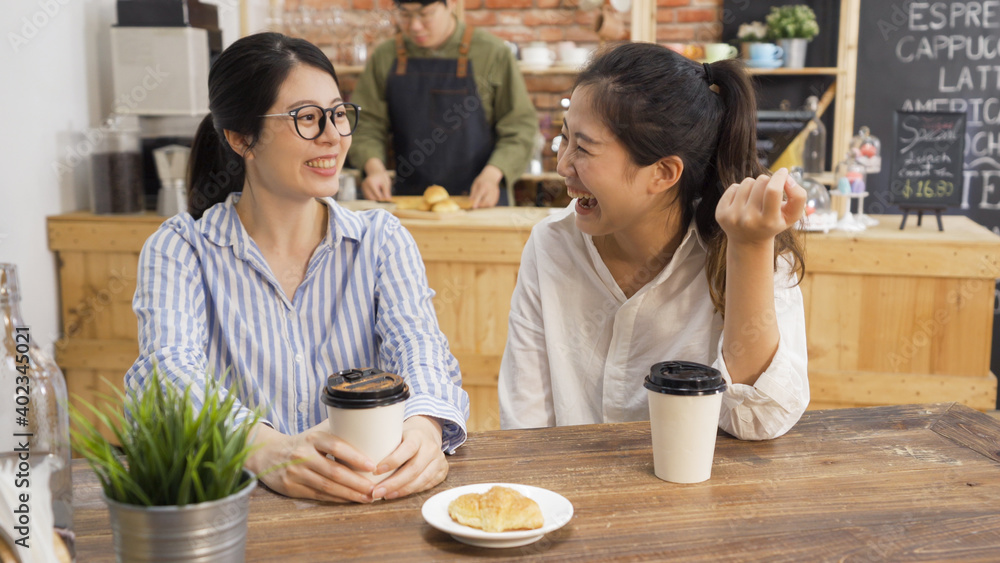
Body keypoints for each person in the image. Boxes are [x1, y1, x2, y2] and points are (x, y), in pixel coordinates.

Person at [124, 32, 469, 503]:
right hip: (239, 516)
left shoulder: (381, 240)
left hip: (369, 503)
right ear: (241, 137)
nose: (333, 135)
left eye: (338, 114)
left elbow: (420, 350)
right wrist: (263, 449)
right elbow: (167, 375)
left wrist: (426, 427)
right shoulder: (181, 248)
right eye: (306, 118)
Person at [498, 42, 809, 441]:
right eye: (564, 138)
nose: (562, 166)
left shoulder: (750, 244)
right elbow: (525, 424)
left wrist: (749, 250)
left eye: (584, 148)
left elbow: (757, 421)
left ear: (663, 172)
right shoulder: (551, 244)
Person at [347, 0, 538, 208]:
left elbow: (520, 127)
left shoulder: (493, 53)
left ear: (452, 4)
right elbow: (365, 123)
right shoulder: (385, 56)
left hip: (481, 200)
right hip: (410, 202)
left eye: (425, 14)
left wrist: (493, 175)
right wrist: (373, 168)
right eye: (405, 15)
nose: (415, 26)